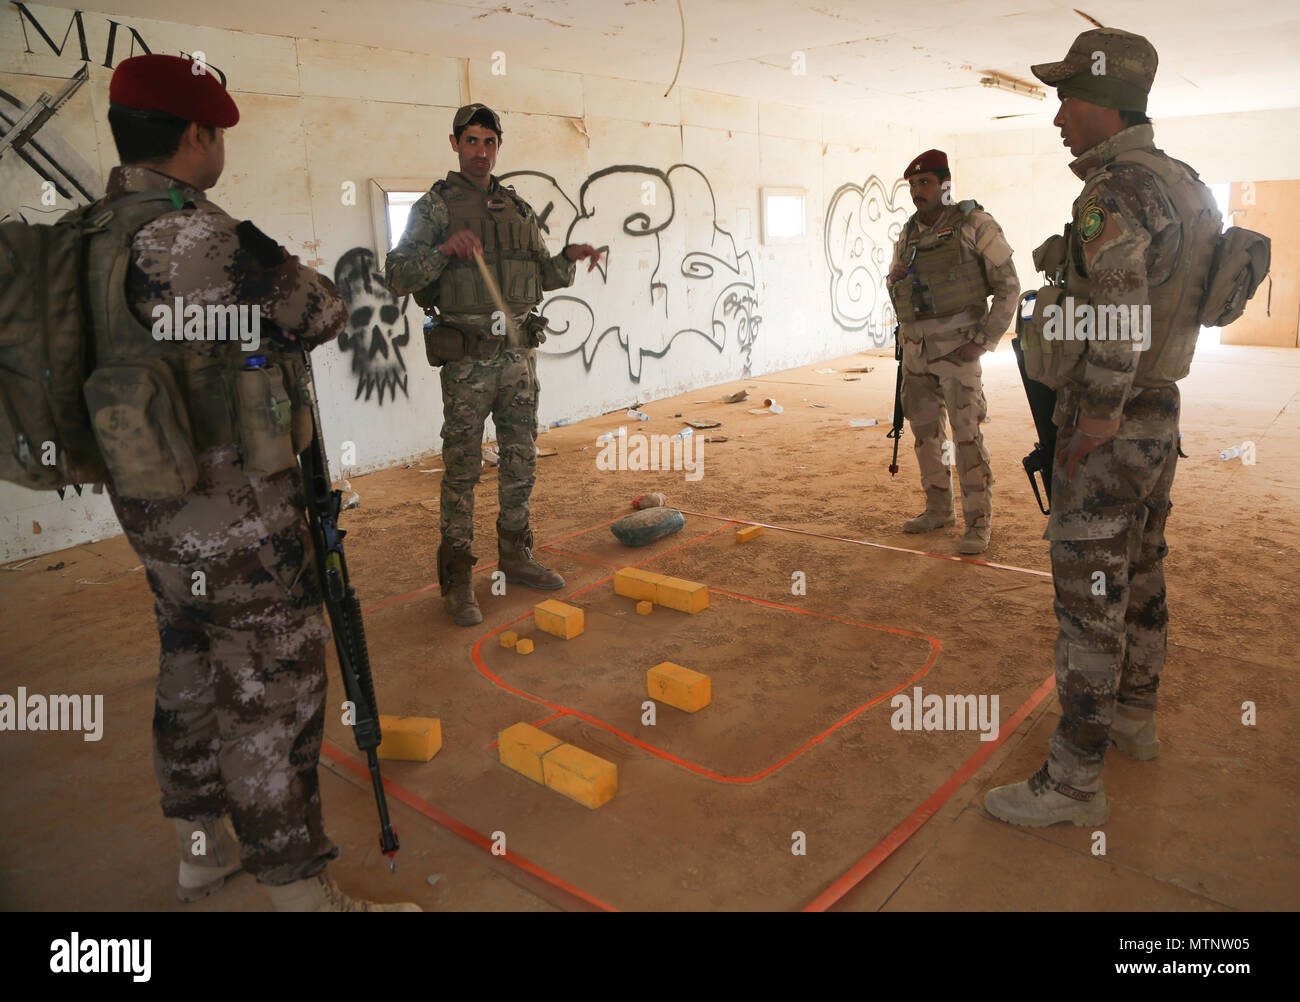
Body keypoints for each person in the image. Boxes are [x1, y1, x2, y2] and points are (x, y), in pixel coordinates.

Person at [99, 54, 416, 910]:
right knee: (272, 695)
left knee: (189, 673)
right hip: (234, 517)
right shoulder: (195, 235)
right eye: (217, 135)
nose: (219, 151)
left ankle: (201, 856)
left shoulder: (94, 235)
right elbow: (317, 311)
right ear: (194, 135)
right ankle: (302, 895)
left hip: (151, 511)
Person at [984, 28, 1222, 826]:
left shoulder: (1114, 190)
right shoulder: (1184, 181)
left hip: (1113, 422)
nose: (1057, 117)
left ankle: (1075, 783)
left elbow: (1117, 314)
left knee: (1090, 596)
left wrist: (1091, 421)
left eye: (1065, 99)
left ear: (1101, 101)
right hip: (1162, 413)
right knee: (1144, 567)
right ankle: (1134, 721)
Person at [385, 103, 600, 626]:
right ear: (456, 144)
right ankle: (458, 580)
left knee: (520, 460)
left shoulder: (518, 208)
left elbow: (540, 276)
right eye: (472, 141)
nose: (481, 152)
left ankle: (515, 553)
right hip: (469, 362)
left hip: (518, 359)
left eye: (489, 142)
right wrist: (442, 251)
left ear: (499, 147)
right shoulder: (435, 207)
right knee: (461, 470)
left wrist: (567, 259)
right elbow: (398, 272)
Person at [886, 150, 1020, 555]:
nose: (916, 192)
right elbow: (896, 282)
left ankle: (979, 522)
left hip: (958, 354)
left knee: (966, 439)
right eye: (912, 185)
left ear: (945, 185)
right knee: (926, 436)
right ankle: (939, 508)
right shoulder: (909, 233)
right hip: (916, 354)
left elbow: (1009, 286)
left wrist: (983, 341)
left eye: (924, 183)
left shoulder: (974, 224)